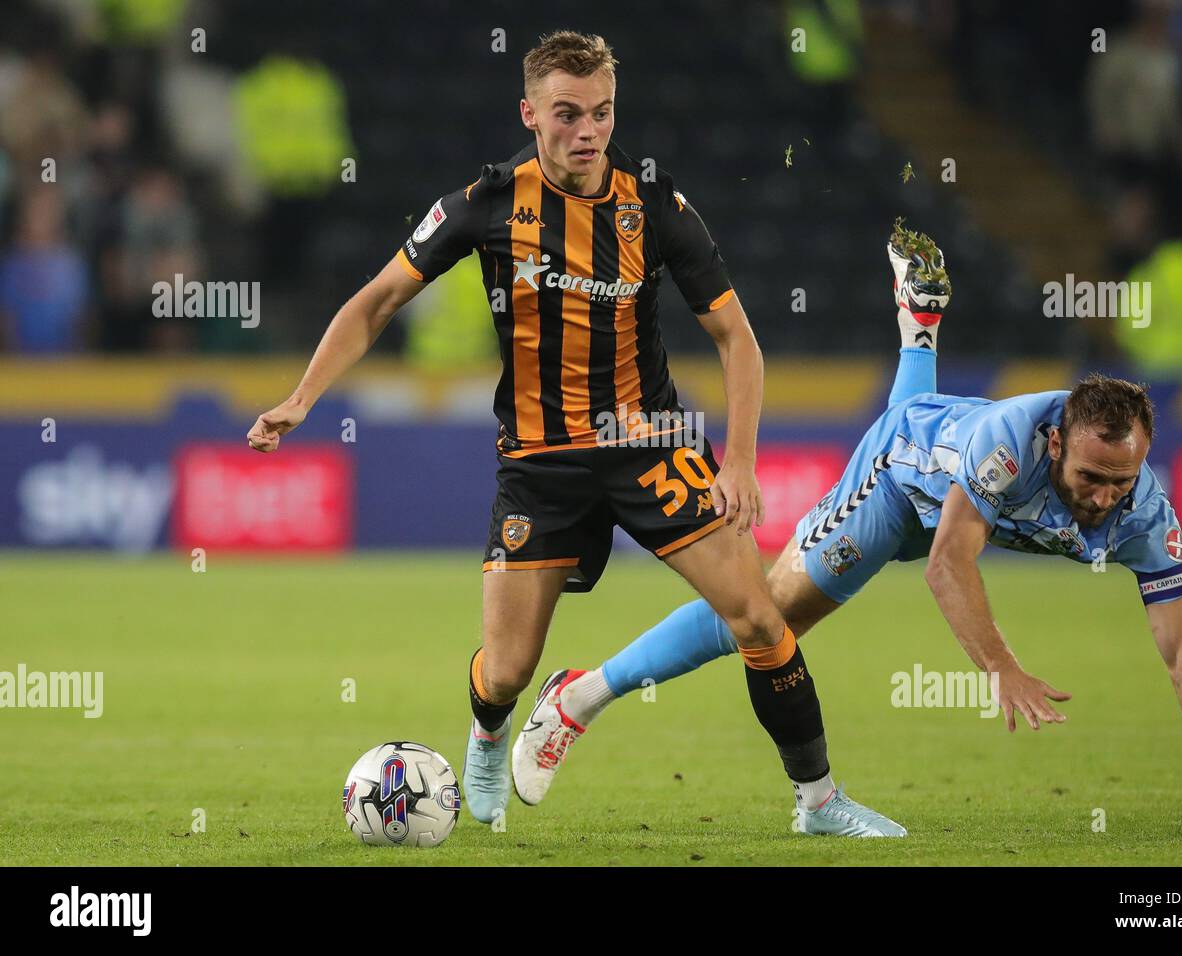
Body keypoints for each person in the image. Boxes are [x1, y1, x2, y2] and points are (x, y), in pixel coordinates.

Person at [247, 30, 899, 837]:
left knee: (761, 619)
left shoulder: (654, 204)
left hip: (649, 442)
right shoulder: (484, 204)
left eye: (601, 113)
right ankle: (488, 736)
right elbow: (377, 300)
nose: (588, 131)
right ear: (530, 114)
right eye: (567, 115)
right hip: (540, 463)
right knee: (507, 670)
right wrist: (303, 398)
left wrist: (737, 461)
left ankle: (820, 803)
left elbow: (738, 339)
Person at [517, 224, 1182, 838]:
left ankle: (919, 328)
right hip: (902, 487)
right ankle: (580, 697)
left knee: (913, 421)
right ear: (1058, 443)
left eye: (1120, 483)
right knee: (768, 619)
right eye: (1090, 479)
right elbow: (946, 566)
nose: (1103, 499)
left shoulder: (1145, 513)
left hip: (938, 449)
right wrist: (1001, 666)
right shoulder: (1010, 442)